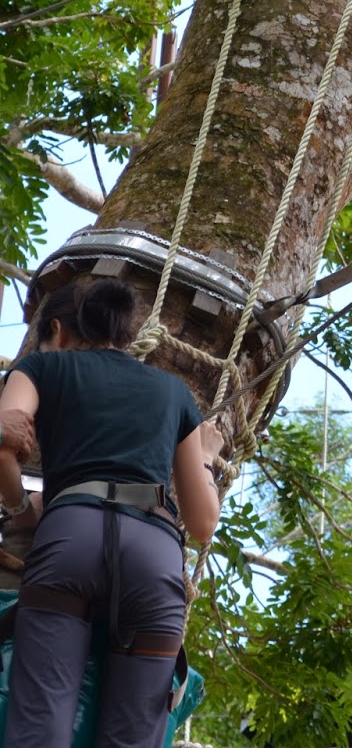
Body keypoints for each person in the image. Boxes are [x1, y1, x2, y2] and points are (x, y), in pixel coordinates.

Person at [0, 277, 224, 748]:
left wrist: (22, 510)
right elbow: (203, 525)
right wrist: (204, 455)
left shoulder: (38, 369)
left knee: (40, 724)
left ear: (56, 331)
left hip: (69, 539)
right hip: (154, 552)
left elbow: (4, 441)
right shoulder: (175, 392)